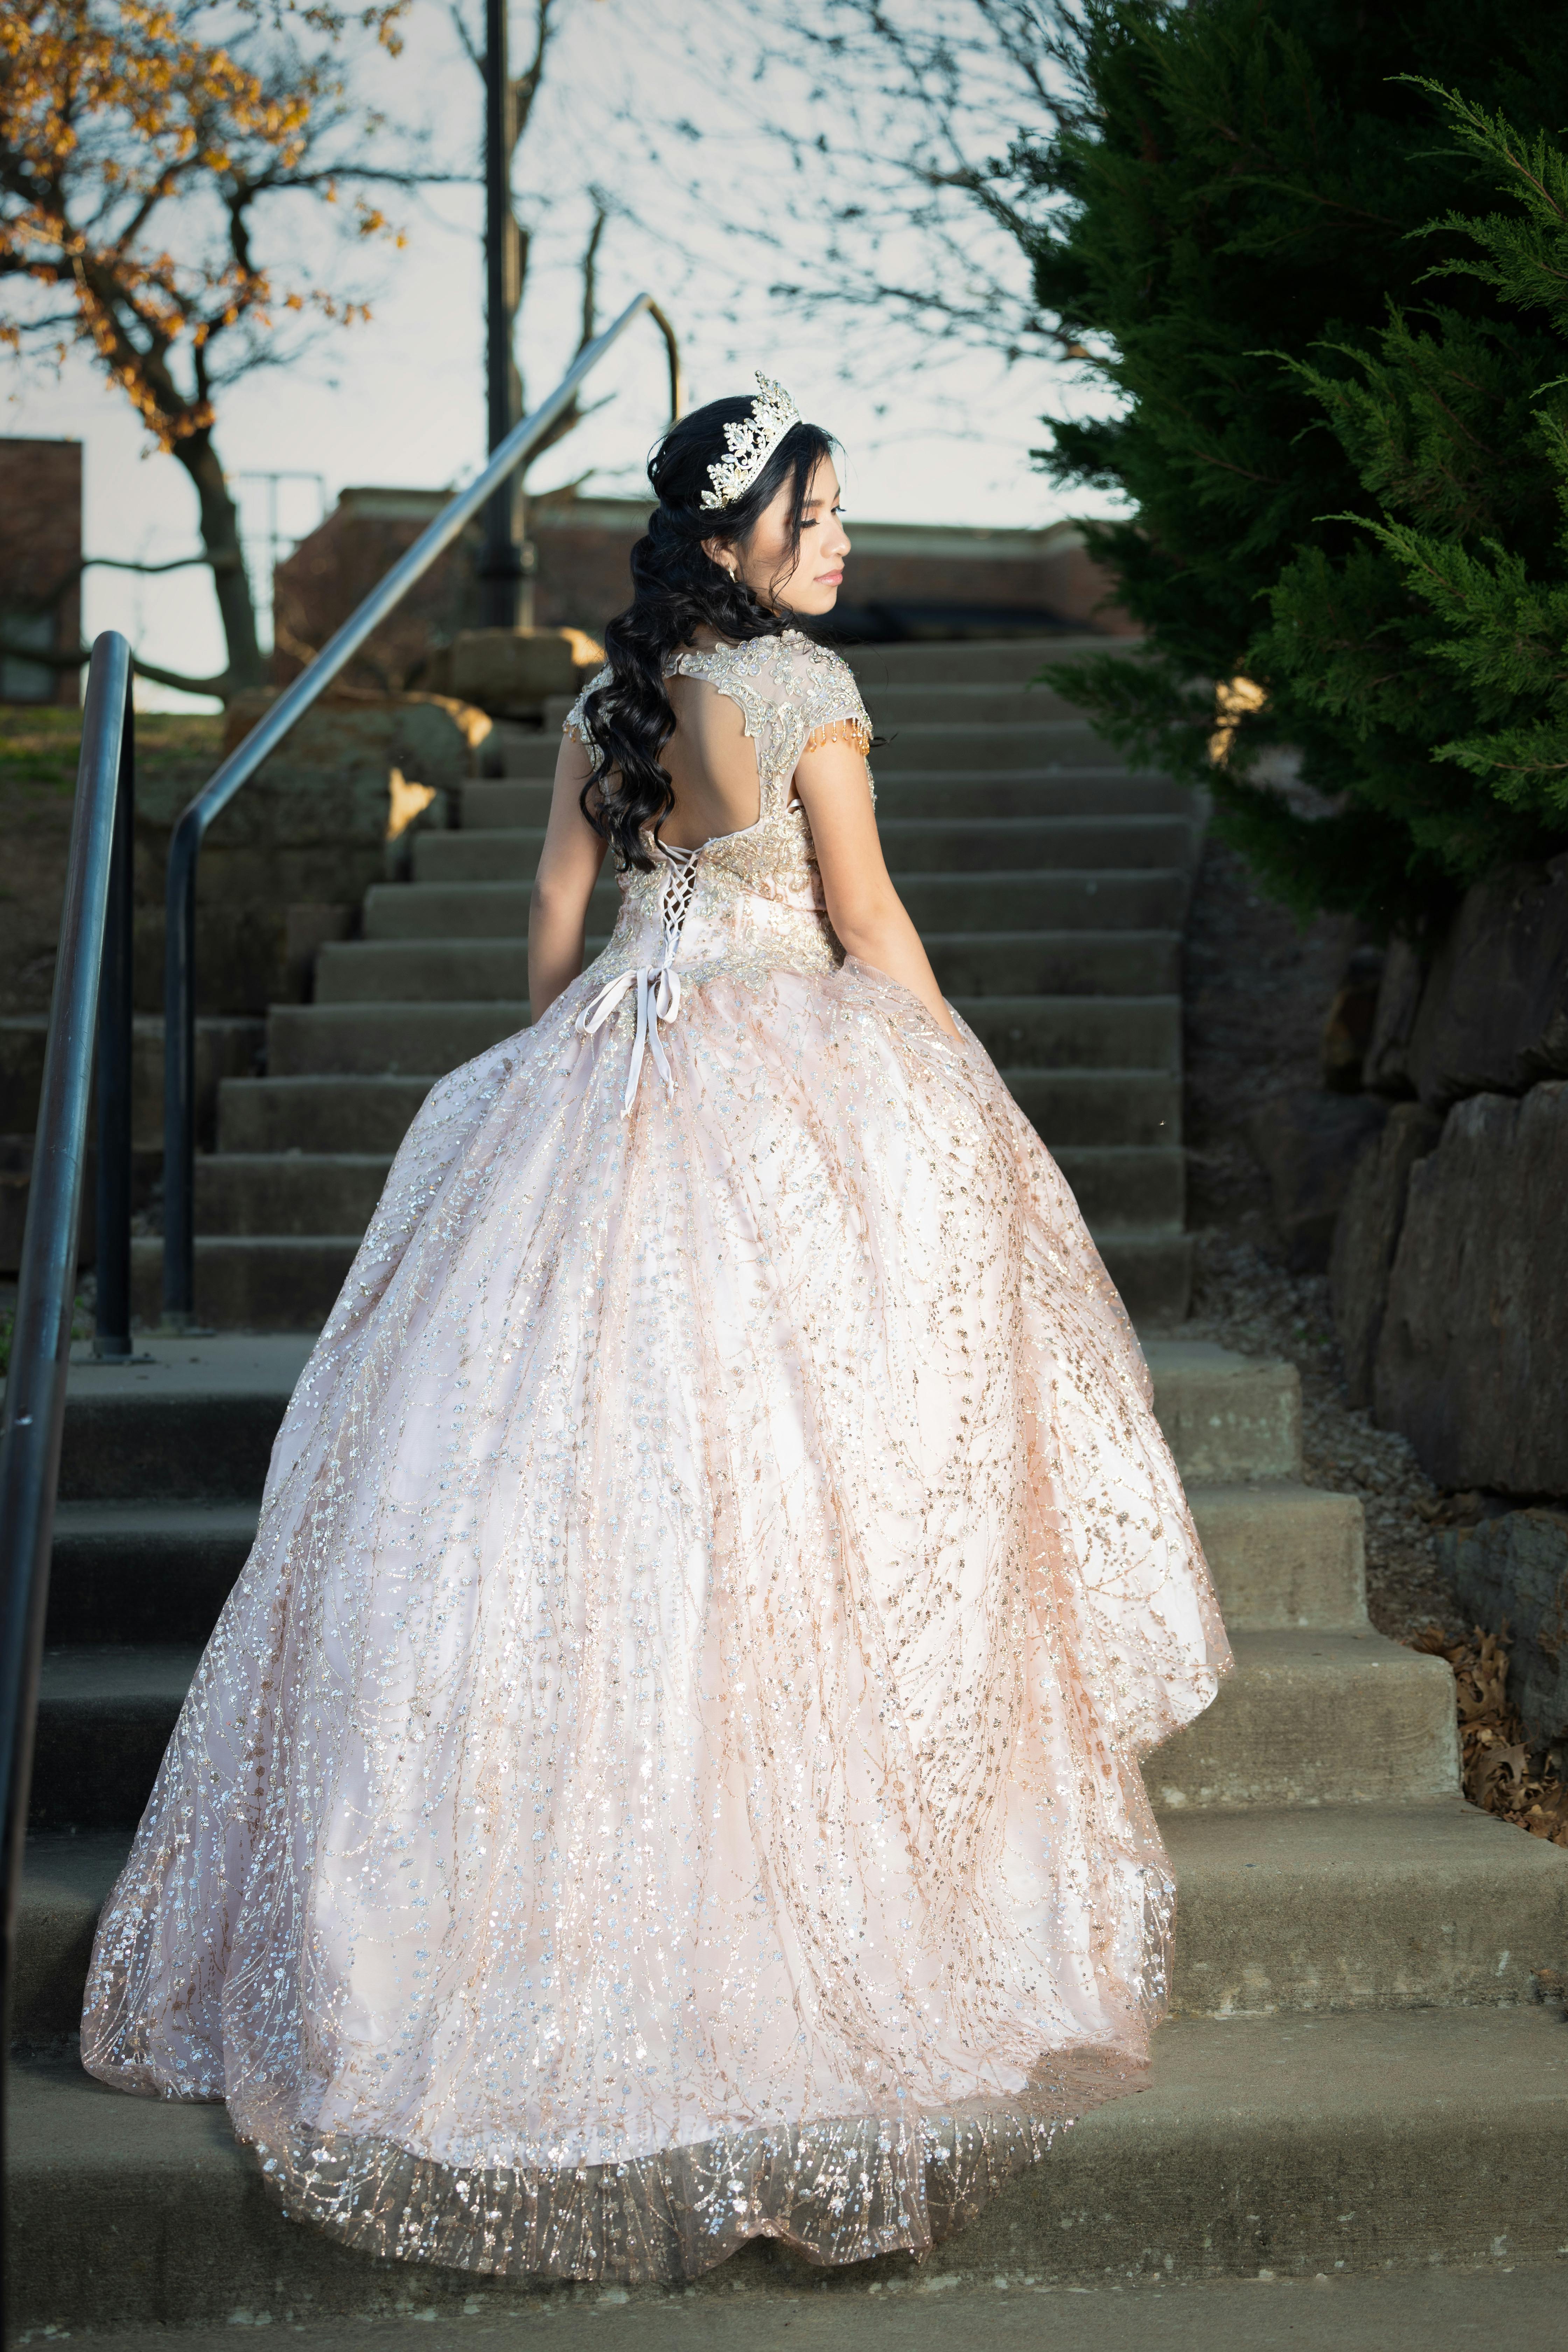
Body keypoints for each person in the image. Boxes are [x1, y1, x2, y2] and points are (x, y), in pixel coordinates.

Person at [83, 374, 1230, 2284]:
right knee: (800, 1474)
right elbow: (871, 930)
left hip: (606, 1073)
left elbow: (556, 931)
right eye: (817, 511)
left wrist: (581, 1053)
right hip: (787, 1071)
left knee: (553, 1491)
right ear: (731, 540)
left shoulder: (612, 712)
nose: (843, 538)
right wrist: (966, 1106)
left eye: (844, 508)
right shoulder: (805, 700)